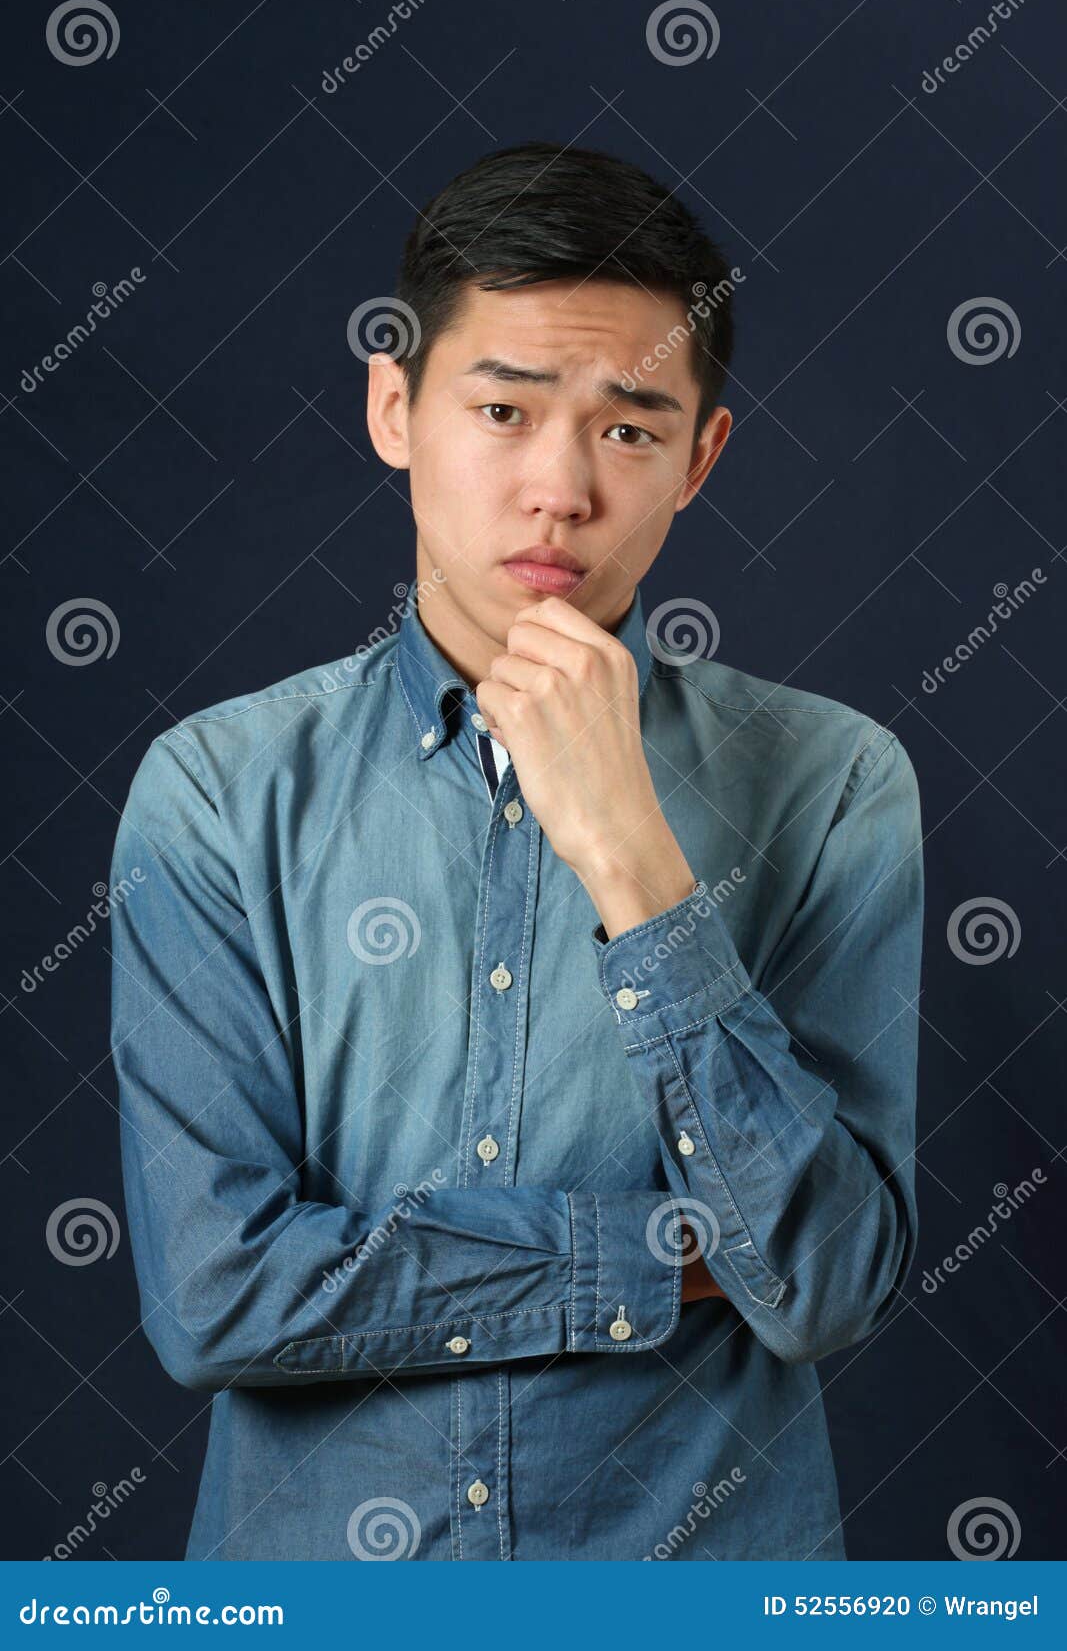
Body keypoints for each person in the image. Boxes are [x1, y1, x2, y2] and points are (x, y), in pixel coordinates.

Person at [109, 141, 923, 1561]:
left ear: (700, 457)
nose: (559, 490)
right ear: (395, 408)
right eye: (503, 408)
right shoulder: (218, 794)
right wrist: (656, 1256)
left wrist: (635, 865)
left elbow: (823, 1279)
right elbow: (215, 1294)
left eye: (627, 428)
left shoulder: (837, 783)